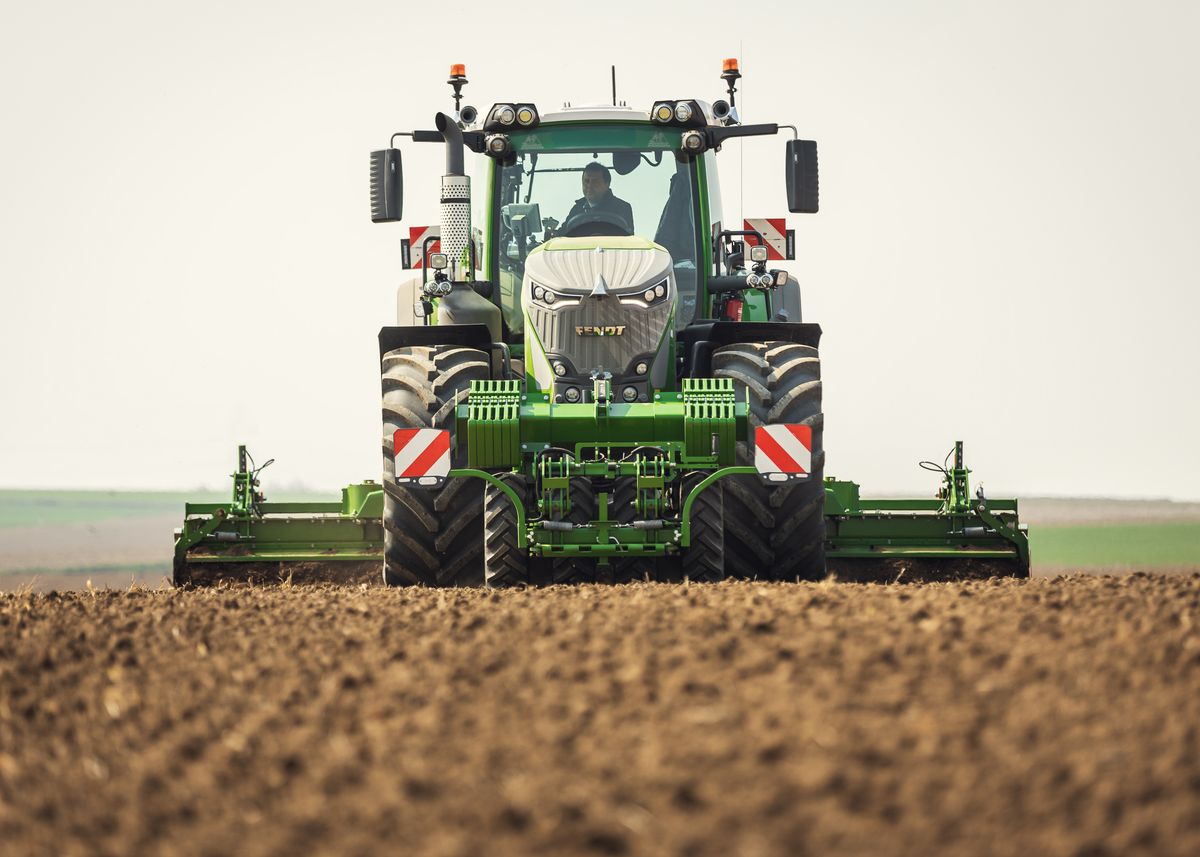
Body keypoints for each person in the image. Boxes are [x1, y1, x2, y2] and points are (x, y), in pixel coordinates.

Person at [564, 162, 635, 234]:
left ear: (607, 184)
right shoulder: (577, 208)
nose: (590, 186)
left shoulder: (622, 207)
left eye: (595, 181)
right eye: (586, 181)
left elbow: (626, 239)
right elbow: (563, 234)